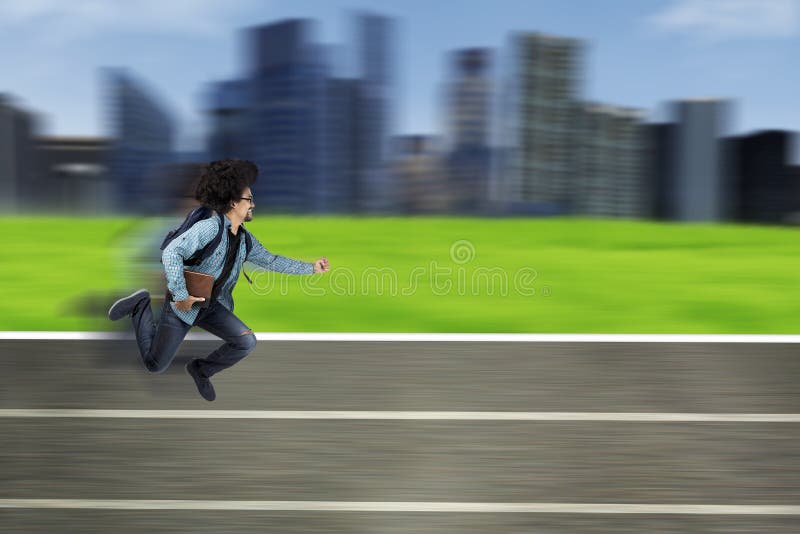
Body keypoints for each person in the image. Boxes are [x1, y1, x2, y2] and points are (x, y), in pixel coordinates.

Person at [108, 159, 329, 401]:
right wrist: (181, 296)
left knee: (246, 342)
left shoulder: (245, 239)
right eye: (249, 199)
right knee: (154, 364)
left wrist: (312, 268)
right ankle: (140, 306)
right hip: (185, 304)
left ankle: (201, 369)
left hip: (212, 306)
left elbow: (271, 260)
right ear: (233, 202)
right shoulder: (209, 228)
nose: (253, 204)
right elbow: (172, 252)